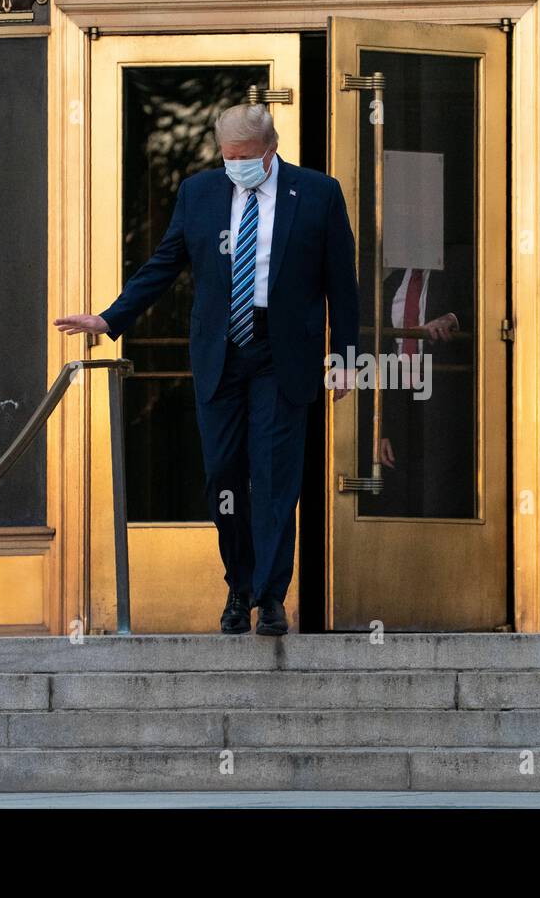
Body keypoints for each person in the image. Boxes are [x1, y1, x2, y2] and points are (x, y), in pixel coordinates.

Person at [55, 103, 359, 636]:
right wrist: (110, 316)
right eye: (226, 156)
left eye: (243, 157)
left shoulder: (317, 193)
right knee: (223, 476)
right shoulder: (200, 194)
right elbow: (165, 263)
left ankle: (269, 598)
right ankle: (237, 585)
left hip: (283, 357)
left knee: (273, 481)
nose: (233, 165)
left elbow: (343, 284)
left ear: (270, 151)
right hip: (221, 356)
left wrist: (346, 359)